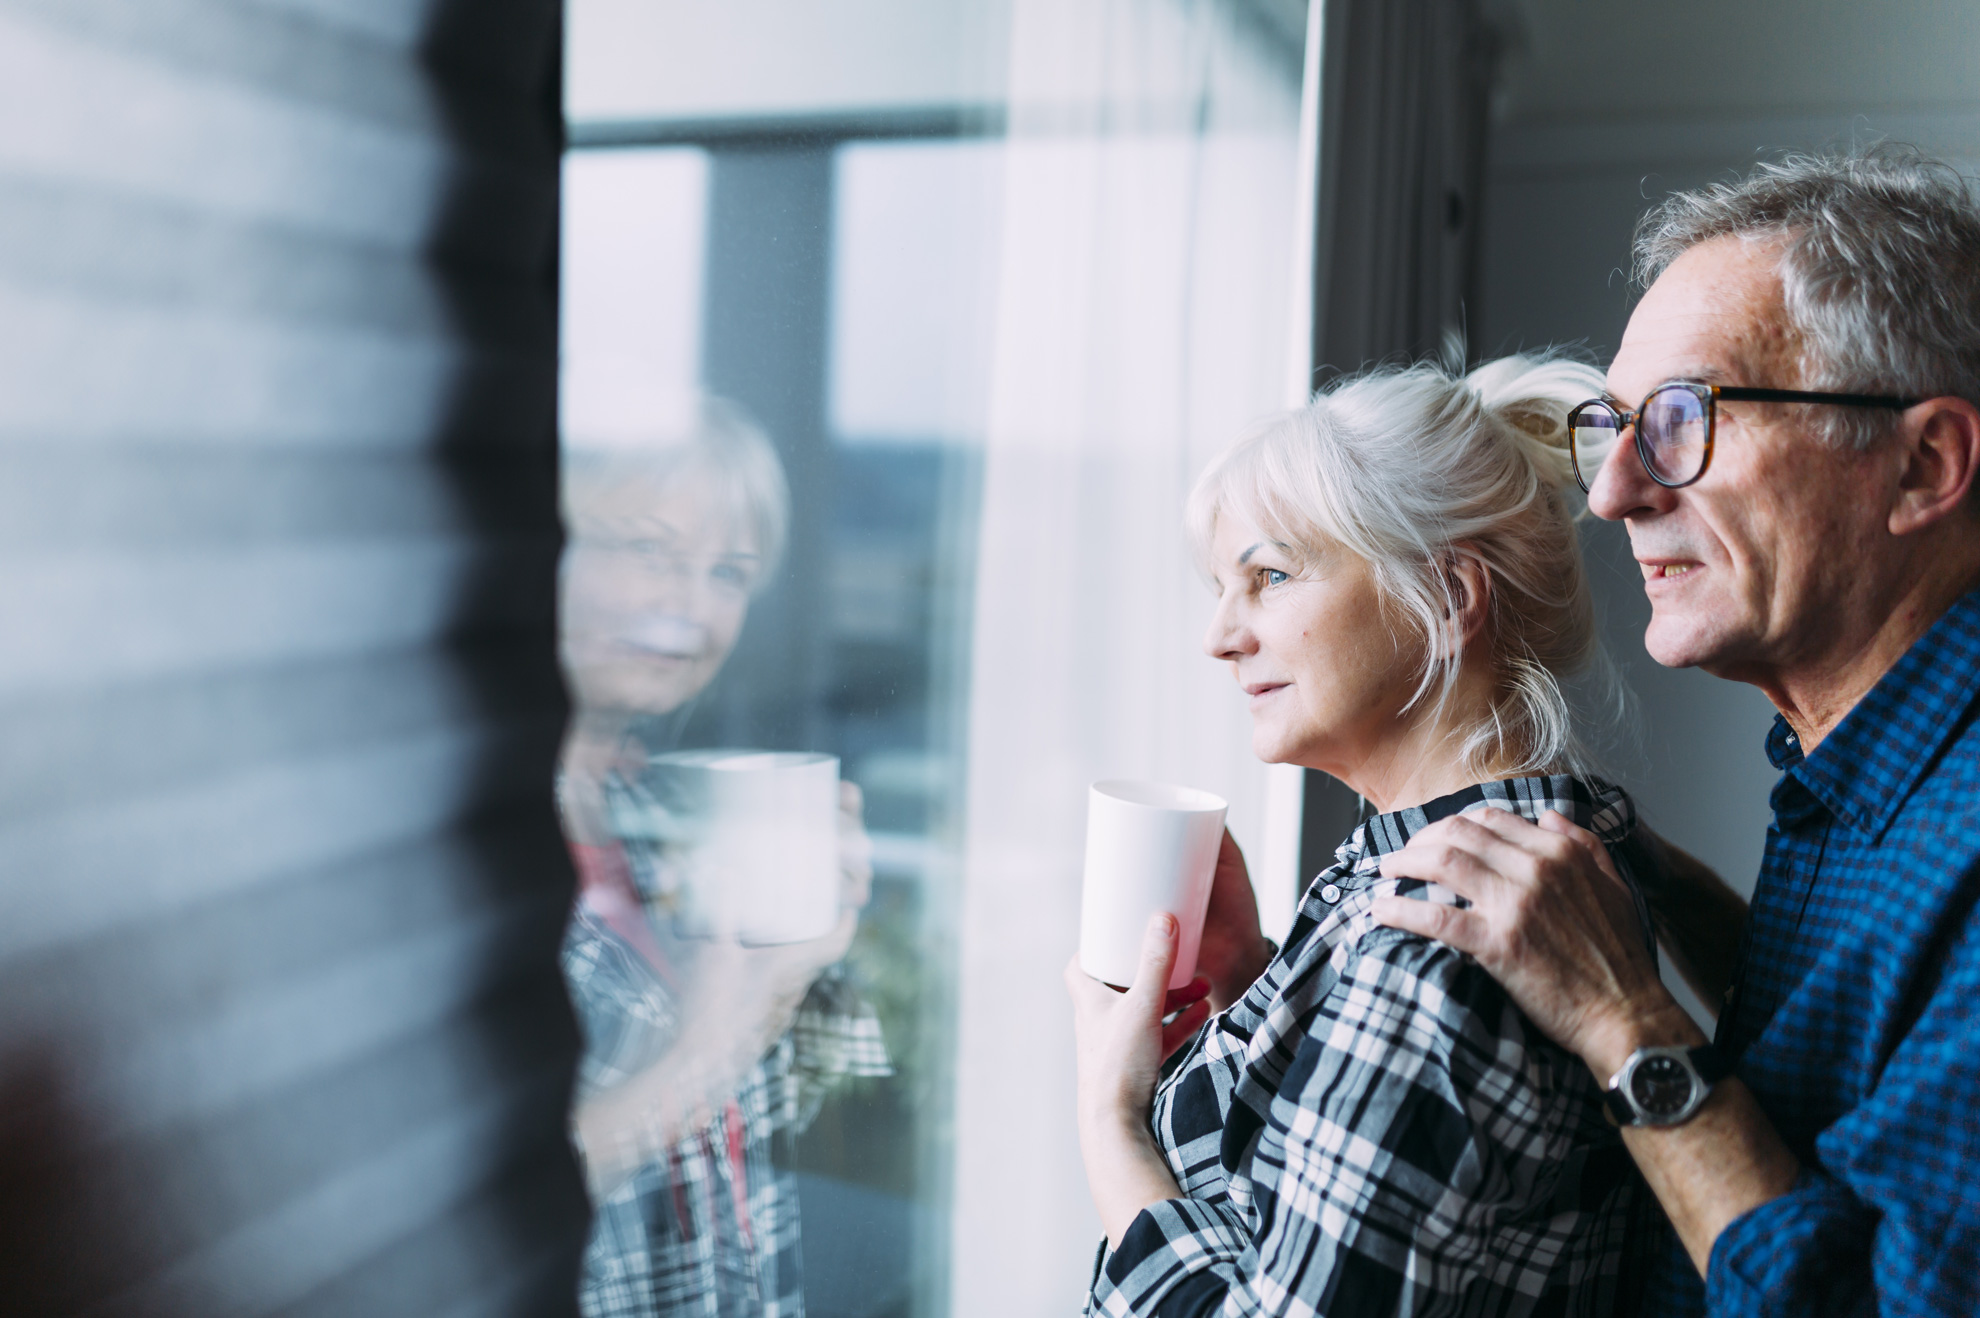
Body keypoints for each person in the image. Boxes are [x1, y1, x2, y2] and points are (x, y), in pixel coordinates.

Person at [1372, 151, 1980, 1316]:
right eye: (1613, 426)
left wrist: (1624, 1019)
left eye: (1684, 418)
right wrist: (1657, 893)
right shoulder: (1859, 769)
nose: (1612, 494)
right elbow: (1866, 1067)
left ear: (1923, 464)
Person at [1066, 353, 1668, 1317]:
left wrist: (1110, 1122)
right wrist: (1250, 980)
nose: (1219, 637)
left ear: (1447, 597)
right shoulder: (1489, 852)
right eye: (1222, 587)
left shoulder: (1451, 928)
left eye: (1269, 576)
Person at [558, 398, 888, 1317]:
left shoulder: (655, 816)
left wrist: (800, 957)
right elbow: (477, 1198)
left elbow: (791, 1104)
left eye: (728, 573)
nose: (693, 608)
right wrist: (705, 1044)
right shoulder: (468, 850)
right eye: (650, 551)